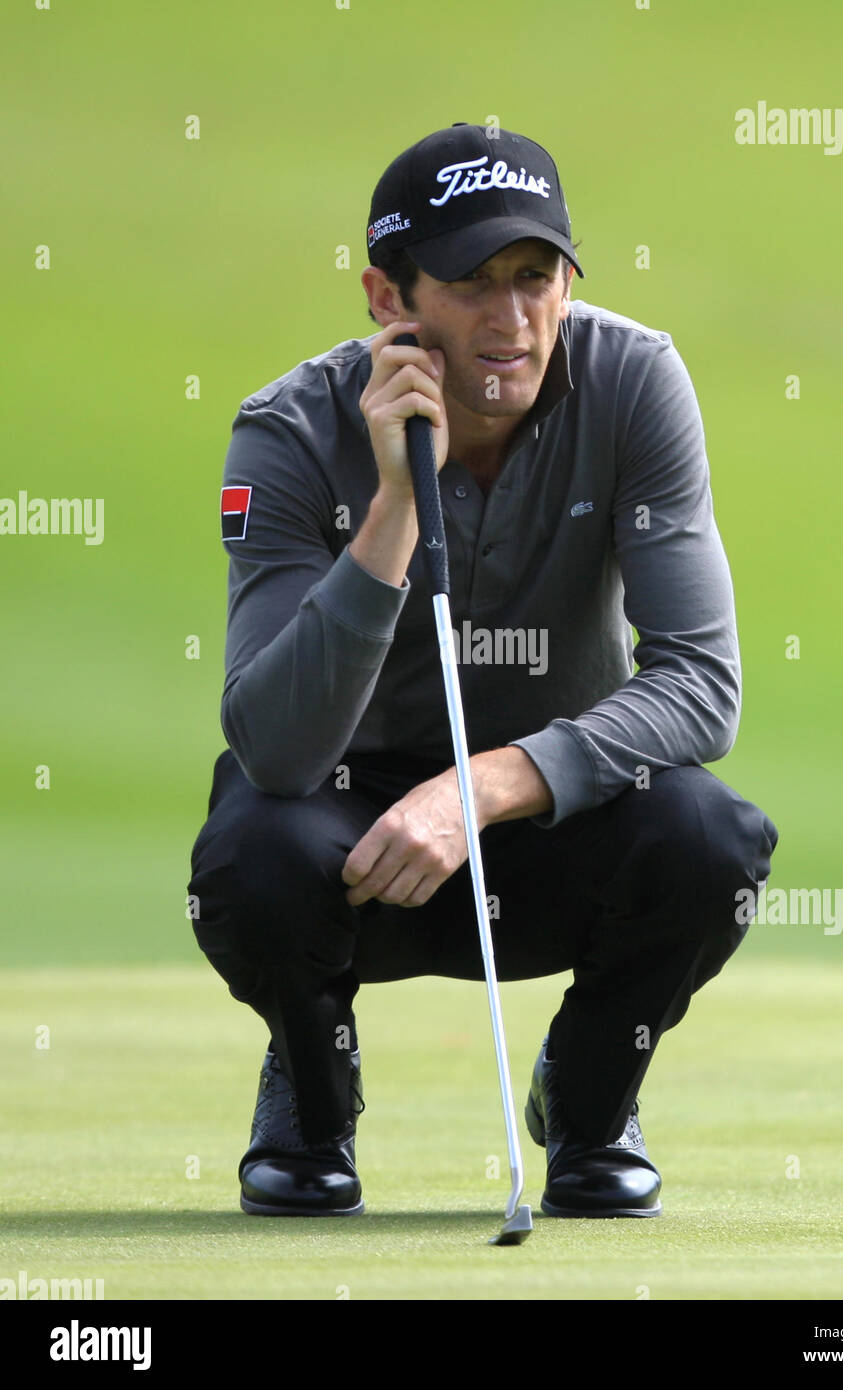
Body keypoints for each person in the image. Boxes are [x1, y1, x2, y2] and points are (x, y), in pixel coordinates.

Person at [187, 122, 779, 1220]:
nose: (512, 321)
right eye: (469, 283)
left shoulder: (634, 380)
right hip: (350, 839)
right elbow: (272, 744)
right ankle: (311, 1102)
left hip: (554, 819)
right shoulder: (285, 430)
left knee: (711, 839)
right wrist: (394, 510)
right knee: (254, 850)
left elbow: (702, 682)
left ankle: (590, 1103)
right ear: (386, 296)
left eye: (535, 275)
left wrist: (476, 789)